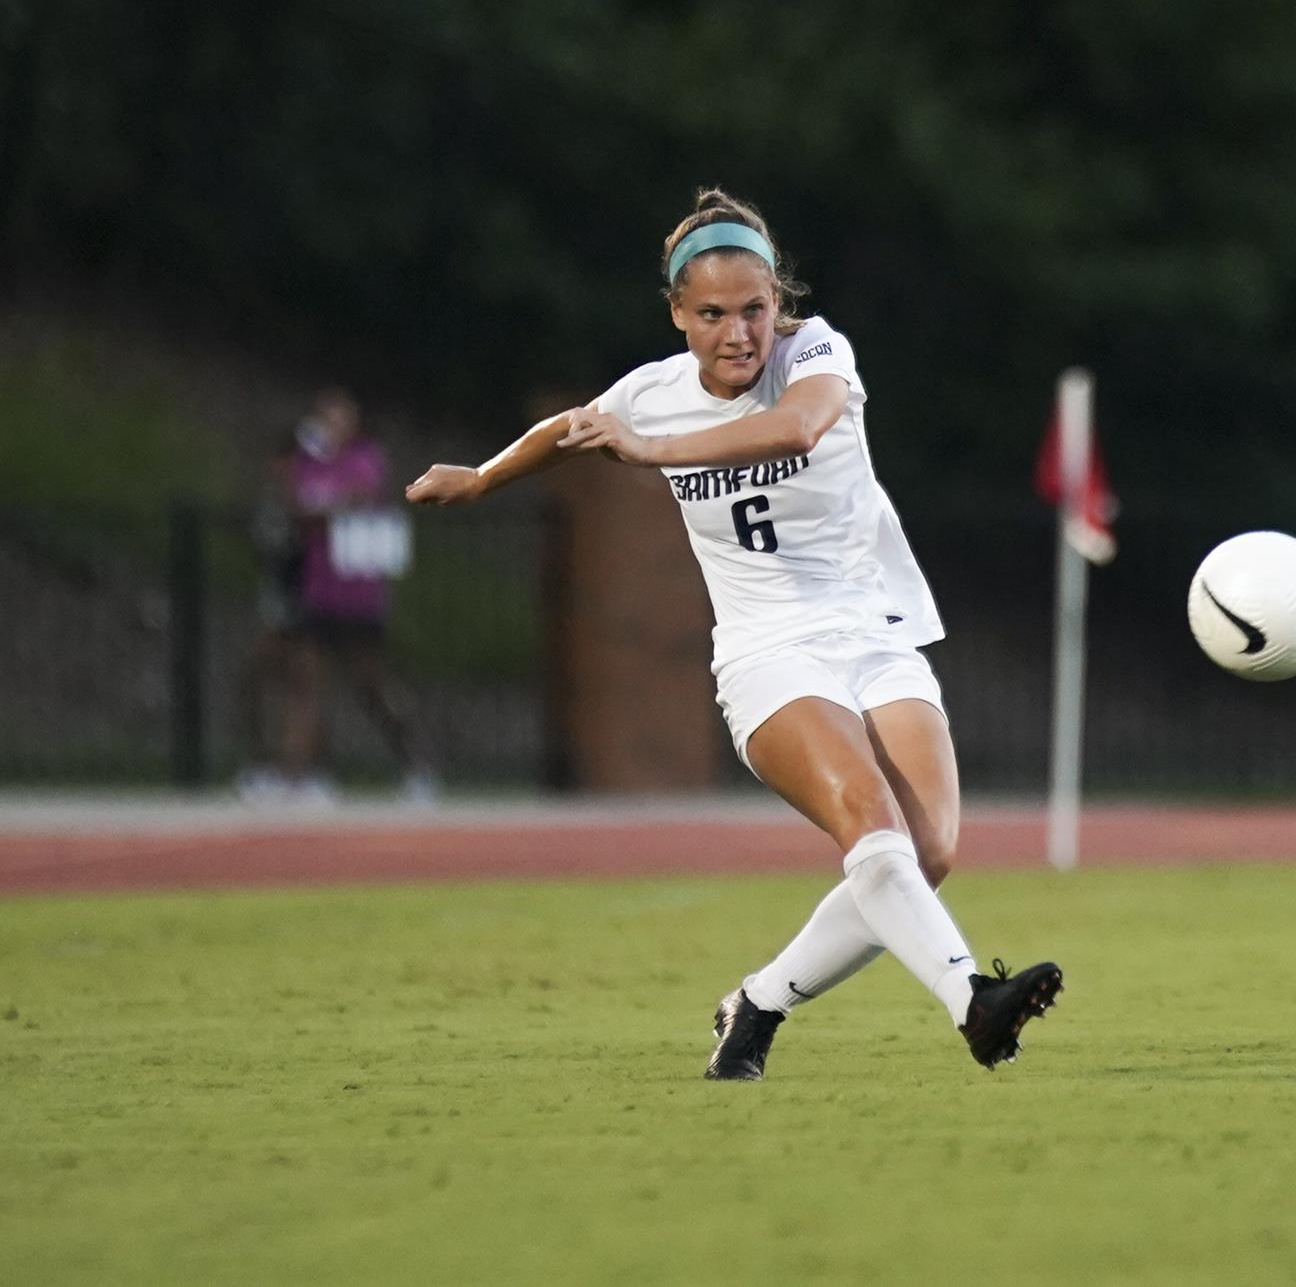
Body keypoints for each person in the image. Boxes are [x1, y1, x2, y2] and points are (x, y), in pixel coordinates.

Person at [405, 189, 1062, 1079]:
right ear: (677, 313)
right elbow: (566, 431)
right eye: (711, 314)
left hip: (872, 630)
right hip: (767, 651)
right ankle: (971, 1000)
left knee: (930, 851)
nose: (738, 333)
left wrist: (649, 451)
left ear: (776, 301)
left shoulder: (815, 351)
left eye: (753, 308)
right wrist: (484, 478)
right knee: (869, 822)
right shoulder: (651, 393)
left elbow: (798, 425)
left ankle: (756, 1004)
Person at [248, 387, 431, 804]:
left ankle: (414, 763)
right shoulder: (307, 463)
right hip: (318, 591)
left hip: (358, 593)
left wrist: (322, 507)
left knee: (372, 686)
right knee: (306, 681)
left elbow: (359, 496)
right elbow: (295, 504)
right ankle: (300, 773)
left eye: (340, 418)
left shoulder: (365, 459)